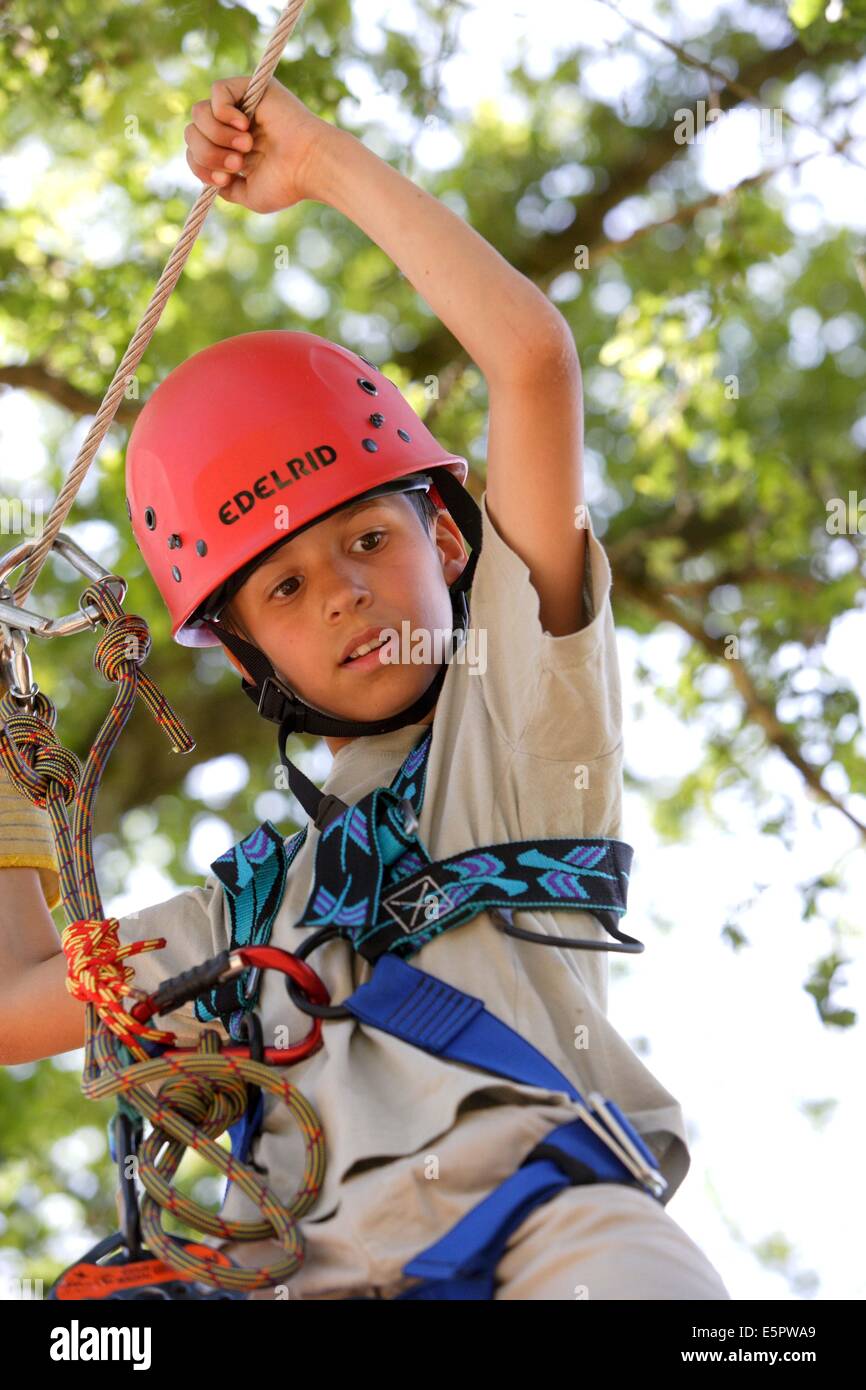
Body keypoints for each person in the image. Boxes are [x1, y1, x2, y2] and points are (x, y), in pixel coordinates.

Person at [0, 75, 730, 1301]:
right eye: (281, 589)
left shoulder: (522, 730)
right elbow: (18, 1002)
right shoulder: (236, 922)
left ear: (448, 546)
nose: (339, 592)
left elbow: (530, 361)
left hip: (553, 1236)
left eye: (366, 541)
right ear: (245, 662)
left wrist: (319, 164)